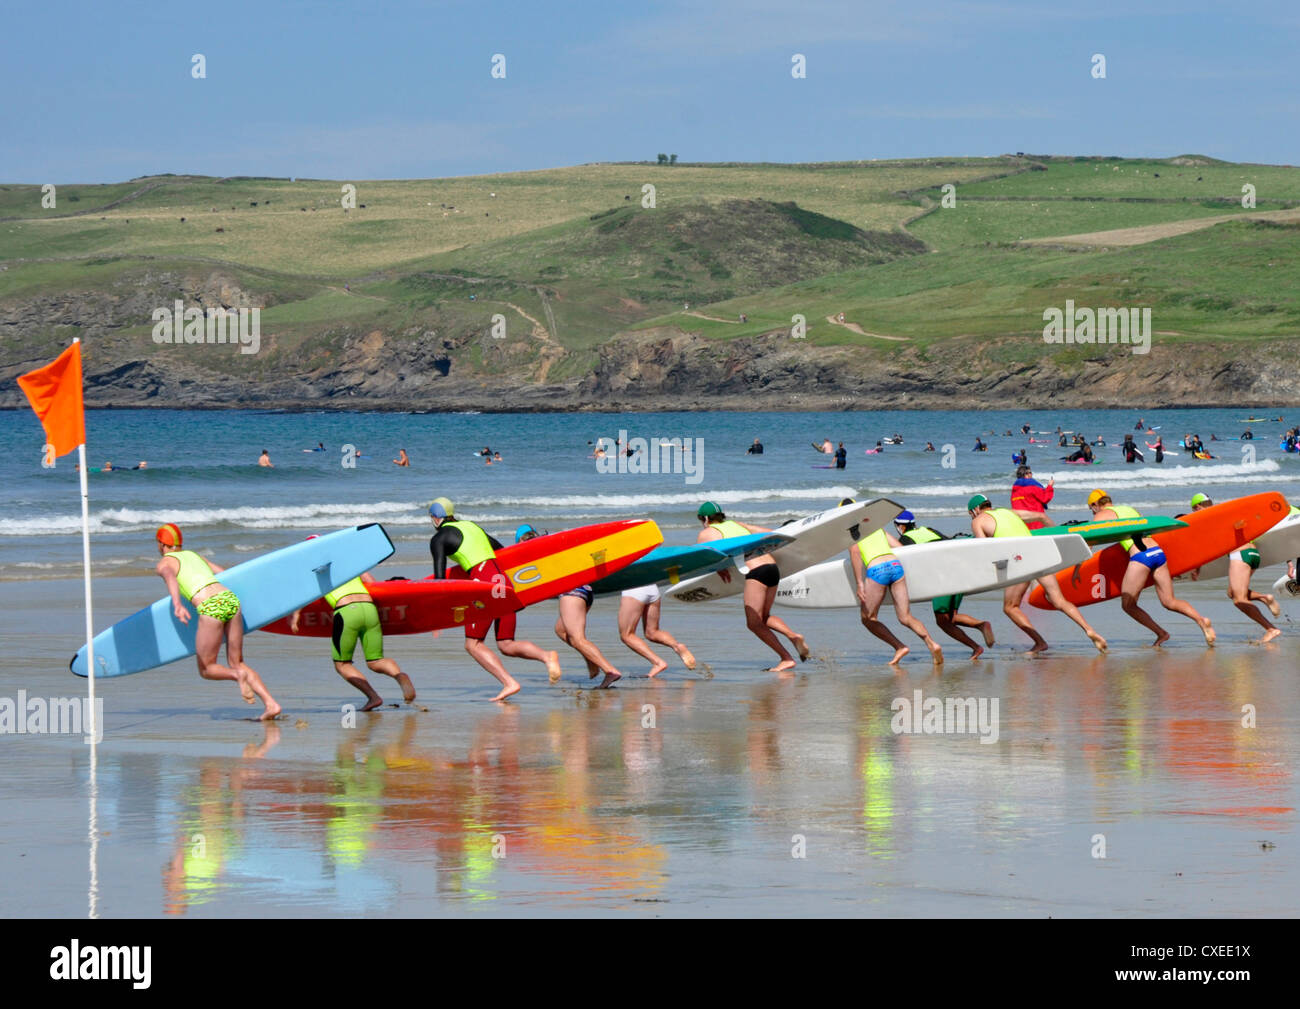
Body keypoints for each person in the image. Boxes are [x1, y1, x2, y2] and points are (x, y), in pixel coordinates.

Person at [428, 497, 560, 700]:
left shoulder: (438, 539)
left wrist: (437, 615)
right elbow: (501, 551)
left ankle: (510, 683)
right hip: (503, 581)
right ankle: (547, 656)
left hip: (483, 586)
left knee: (473, 644)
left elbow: (438, 581)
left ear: (435, 518)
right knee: (506, 644)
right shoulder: (472, 526)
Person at [153, 523, 280, 719]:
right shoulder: (195, 556)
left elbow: (170, 576)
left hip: (211, 607)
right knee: (237, 661)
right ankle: (271, 704)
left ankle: (237, 676)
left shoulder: (164, 563)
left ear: (162, 544)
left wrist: (178, 604)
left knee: (207, 668)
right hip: (230, 600)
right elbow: (223, 573)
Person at [968, 495, 1107, 654]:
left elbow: (982, 549)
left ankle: (1040, 642)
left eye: (971, 514)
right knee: (1059, 600)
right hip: (1039, 553)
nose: (972, 517)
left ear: (975, 510)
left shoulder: (978, 521)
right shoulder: (1009, 512)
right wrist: (1058, 540)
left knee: (1010, 607)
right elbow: (1041, 516)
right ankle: (1090, 630)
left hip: (1020, 560)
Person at [288, 548, 415, 710]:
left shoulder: (315, 570)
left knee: (342, 665)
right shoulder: (351, 565)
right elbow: (372, 583)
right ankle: (400, 676)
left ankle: (373, 697)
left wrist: (295, 616)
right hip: (370, 609)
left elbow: (304, 594)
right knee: (376, 661)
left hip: (347, 611)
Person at [1087, 490, 1214, 647]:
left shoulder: (1100, 515)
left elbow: (1089, 542)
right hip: (1158, 553)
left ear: (1094, 505)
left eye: (1091, 508)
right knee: (1169, 601)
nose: (1092, 512)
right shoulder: (1130, 509)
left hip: (1141, 557)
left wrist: (1077, 567)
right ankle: (1201, 621)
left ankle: (1161, 633)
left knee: (1128, 605)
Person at [696, 501, 808, 672]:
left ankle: (787, 656)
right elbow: (771, 533)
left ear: (704, 519)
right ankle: (793, 638)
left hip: (756, 572)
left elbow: (705, 556)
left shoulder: (707, 532)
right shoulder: (737, 525)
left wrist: (719, 568)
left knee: (753, 623)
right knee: (763, 617)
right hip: (772, 567)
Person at [517, 525, 622, 688]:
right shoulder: (552, 544)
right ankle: (591, 660)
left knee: (578, 639)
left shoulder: (536, 549)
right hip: (585, 590)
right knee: (561, 630)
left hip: (572, 592)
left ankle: (610, 670)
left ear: (523, 540)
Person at [893, 511, 994, 659]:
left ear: (900, 526)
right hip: (958, 571)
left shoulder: (905, 540)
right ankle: (981, 627)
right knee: (951, 617)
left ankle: (976, 644)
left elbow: (907, 565)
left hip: (942, 577)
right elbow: (948, 543)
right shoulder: (928, 530)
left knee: (942, 621)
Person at [848, 507, 943, 666]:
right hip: (896, 566)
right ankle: (932, 643)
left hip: (877, 570)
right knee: (905, 617)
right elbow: (900, 547)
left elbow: (855, 553)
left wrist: (859, 583)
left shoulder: (852, 532)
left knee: (868, 619)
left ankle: (899, 647)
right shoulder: (877, 529)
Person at [1187, 494, 1281, 641]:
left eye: (1194, 510)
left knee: (1239, 600)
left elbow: (1203, 548)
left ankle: (1271, 629)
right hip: (1253, 553)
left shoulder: (1207, 521)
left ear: (1197, 507)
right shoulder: (1224, 514)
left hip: (1240, 555)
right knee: (1232, 592)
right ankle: (1265, 598)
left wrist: (1197, 567)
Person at [617, 582, 696, 677]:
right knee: (652, 632)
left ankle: (658, 663)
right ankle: (677, 646)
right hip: (652, 589)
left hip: (633, 589)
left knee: (626, 635)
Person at [1010, 464, 1054, 529]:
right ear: (1026, 474)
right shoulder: (1032, 486)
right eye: (1030, 472)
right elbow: (1045, 498)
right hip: (1035, 522)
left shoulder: (1015, 490)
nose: (1031, 475)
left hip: (1022, 525)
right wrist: (1050, 486)